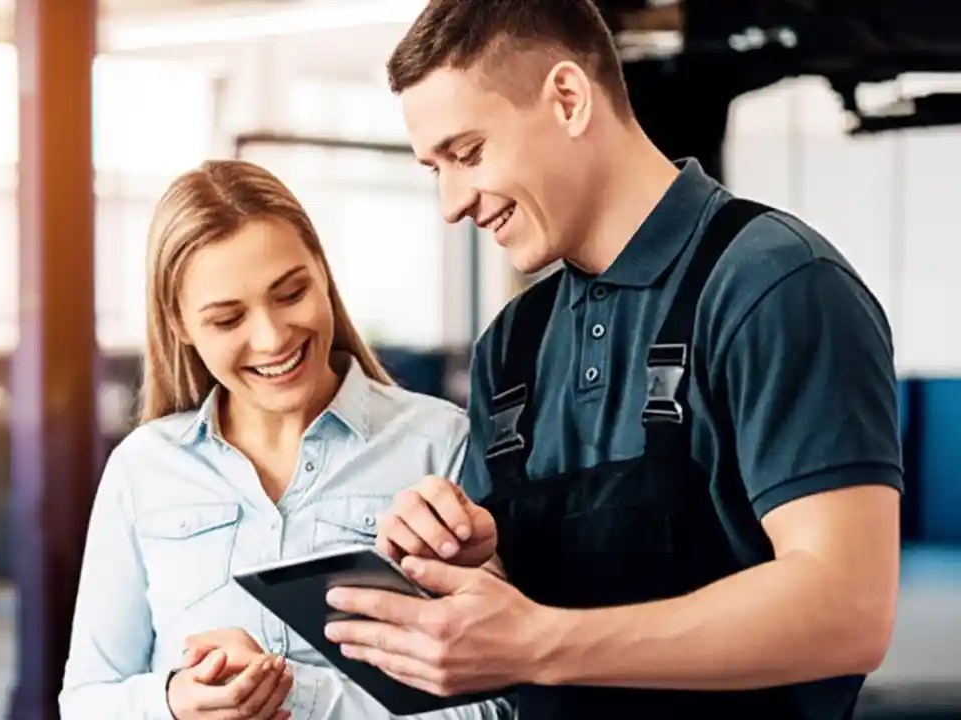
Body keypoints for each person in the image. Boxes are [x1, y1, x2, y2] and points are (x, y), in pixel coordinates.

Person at [322, 1, 903, 718]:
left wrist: (541, 643)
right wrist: (466, 563)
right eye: (433, 168)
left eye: (468, 154)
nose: (451, 203)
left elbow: (844, 609)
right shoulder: (513, 344)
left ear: (568, 99)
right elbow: (510, 610)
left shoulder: (776, 286)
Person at [59, 159, 512, 720]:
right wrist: (173, 702)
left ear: (323, 272)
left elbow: (495, 703)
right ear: (180, 326)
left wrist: (292, 694)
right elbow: (85, 701)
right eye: (227, 320)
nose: (272, 338)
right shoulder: (144, 468)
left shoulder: (439, 445)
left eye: (291, 293)